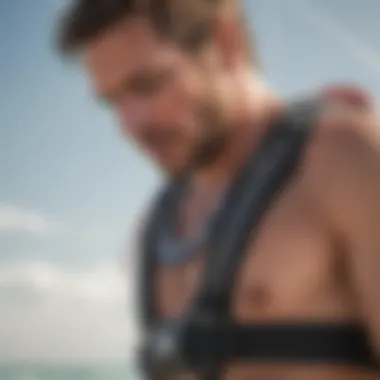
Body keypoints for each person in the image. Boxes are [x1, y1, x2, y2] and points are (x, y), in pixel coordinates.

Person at [55, 1, 380, 379]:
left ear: (224, 44)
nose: (129, 125)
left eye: (147, 84)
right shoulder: (154, 227)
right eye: (112, 101)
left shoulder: (345, 159)